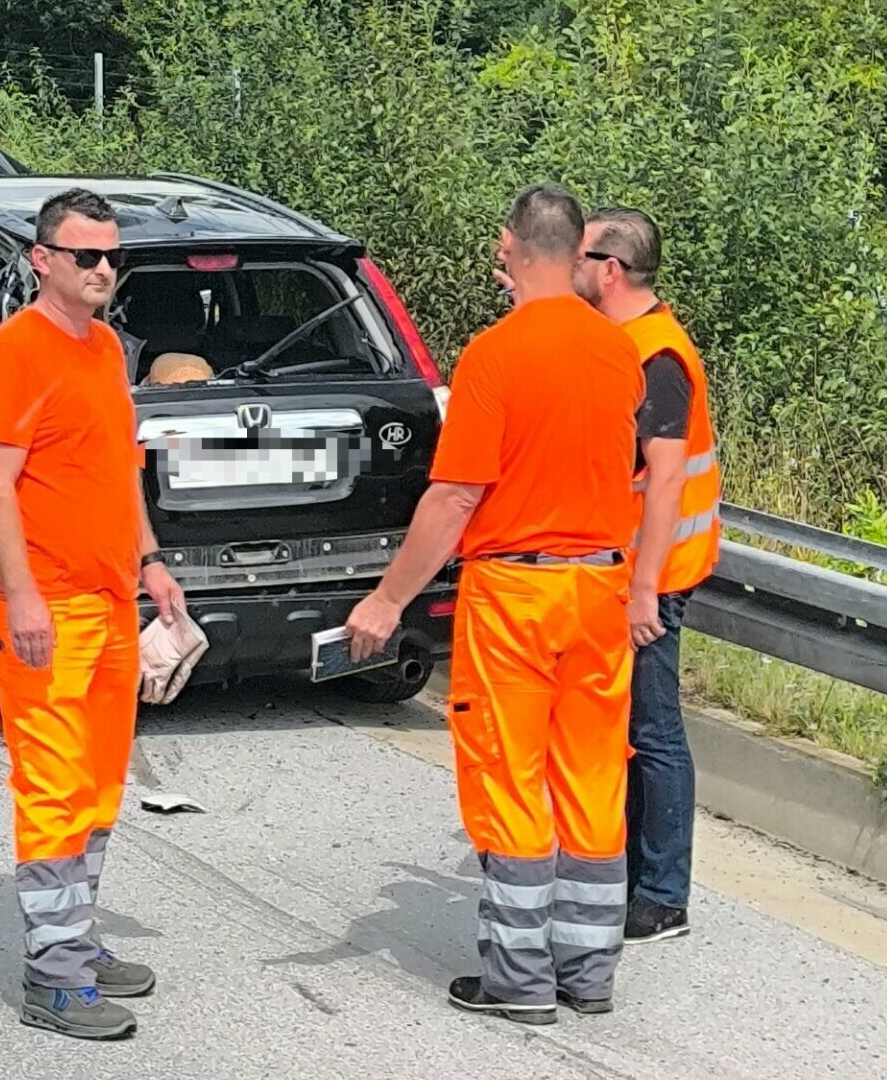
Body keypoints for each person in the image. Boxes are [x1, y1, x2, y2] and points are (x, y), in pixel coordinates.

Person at [345, 183, 644, 1025]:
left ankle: (518, 977)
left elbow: (453, 498)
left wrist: (388, 596)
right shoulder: (617, 351)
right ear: (580, 247)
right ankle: (588, 971)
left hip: (517, 589)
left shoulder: (495, 354)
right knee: (590, 777)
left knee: (511, 776)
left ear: (509, 246)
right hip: (600, 585)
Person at [0, 187, 187, 1041]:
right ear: (42, 260)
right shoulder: (15, 354)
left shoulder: (102, 352)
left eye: (111, 256)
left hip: (107, 600)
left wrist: (153, 563)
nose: (102, 269)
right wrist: (19, 595)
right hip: (43, 604)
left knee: (97, 786)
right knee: (55, 789)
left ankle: (76, 942)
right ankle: (53, 979)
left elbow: (118, 473)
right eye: (85, 255)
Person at [574, 207, 722, 945]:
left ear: (610, 268)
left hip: (654, 575)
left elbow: (662, 483)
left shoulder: (658, 356)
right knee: (632, 730)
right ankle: (632, 873)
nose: (567, 265)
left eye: (579, 255)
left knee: (655, 731)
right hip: (628, 568)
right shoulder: (623, 342)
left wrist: (643, 591)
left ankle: (662, 896)